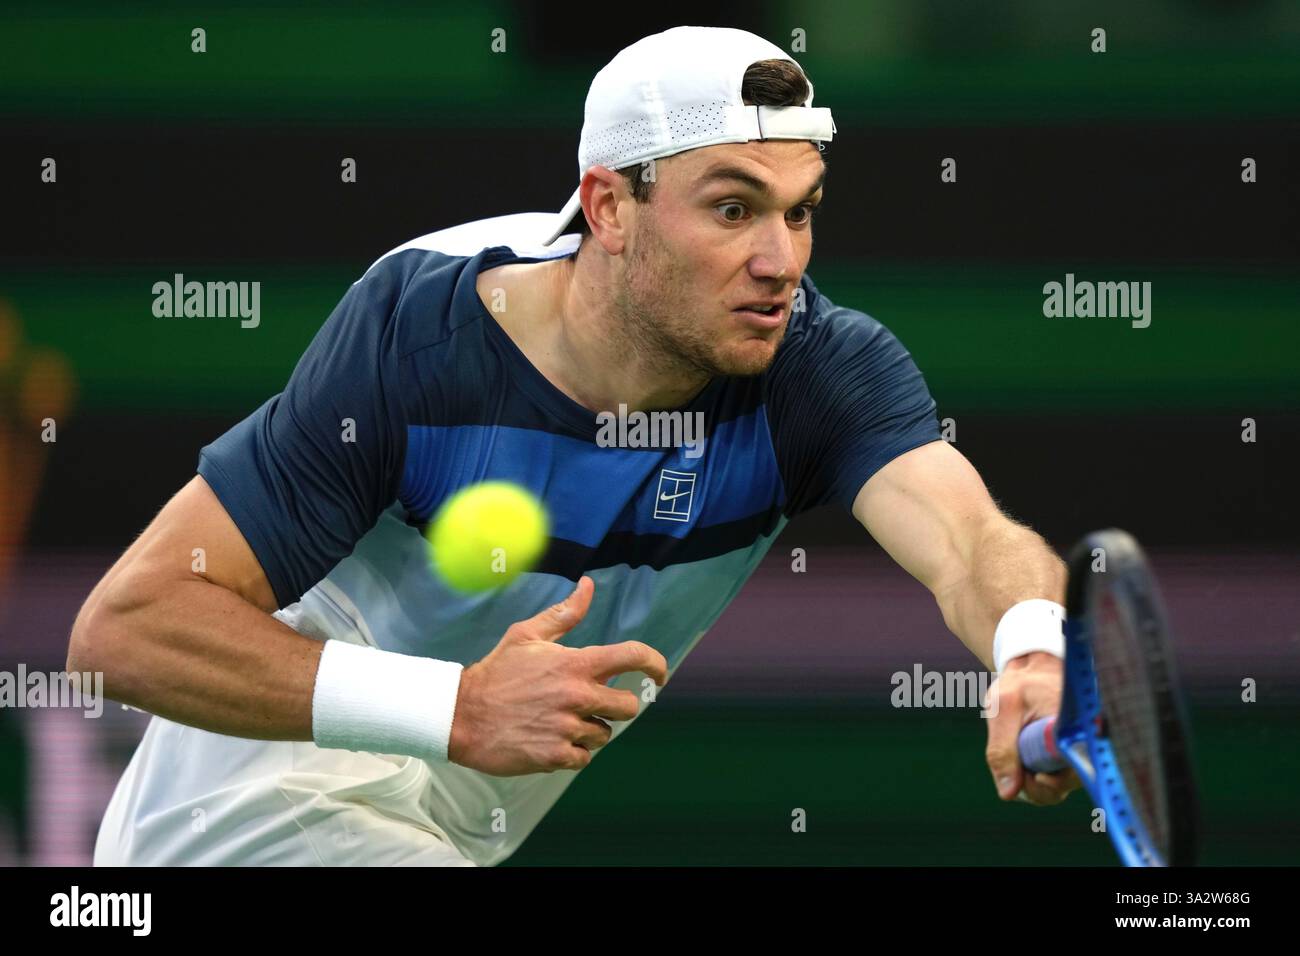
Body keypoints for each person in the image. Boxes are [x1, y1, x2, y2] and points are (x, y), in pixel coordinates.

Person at [74, 26, 1078, 867]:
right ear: (607, 208)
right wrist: (457, 705)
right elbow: (126, 630)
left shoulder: (817, 369)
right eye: (733, 209)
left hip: (445, 836)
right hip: (245, 815)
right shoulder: (422, 335)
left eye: (799, 211)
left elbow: (968, 541)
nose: (780, 260)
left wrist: (1030, 648)